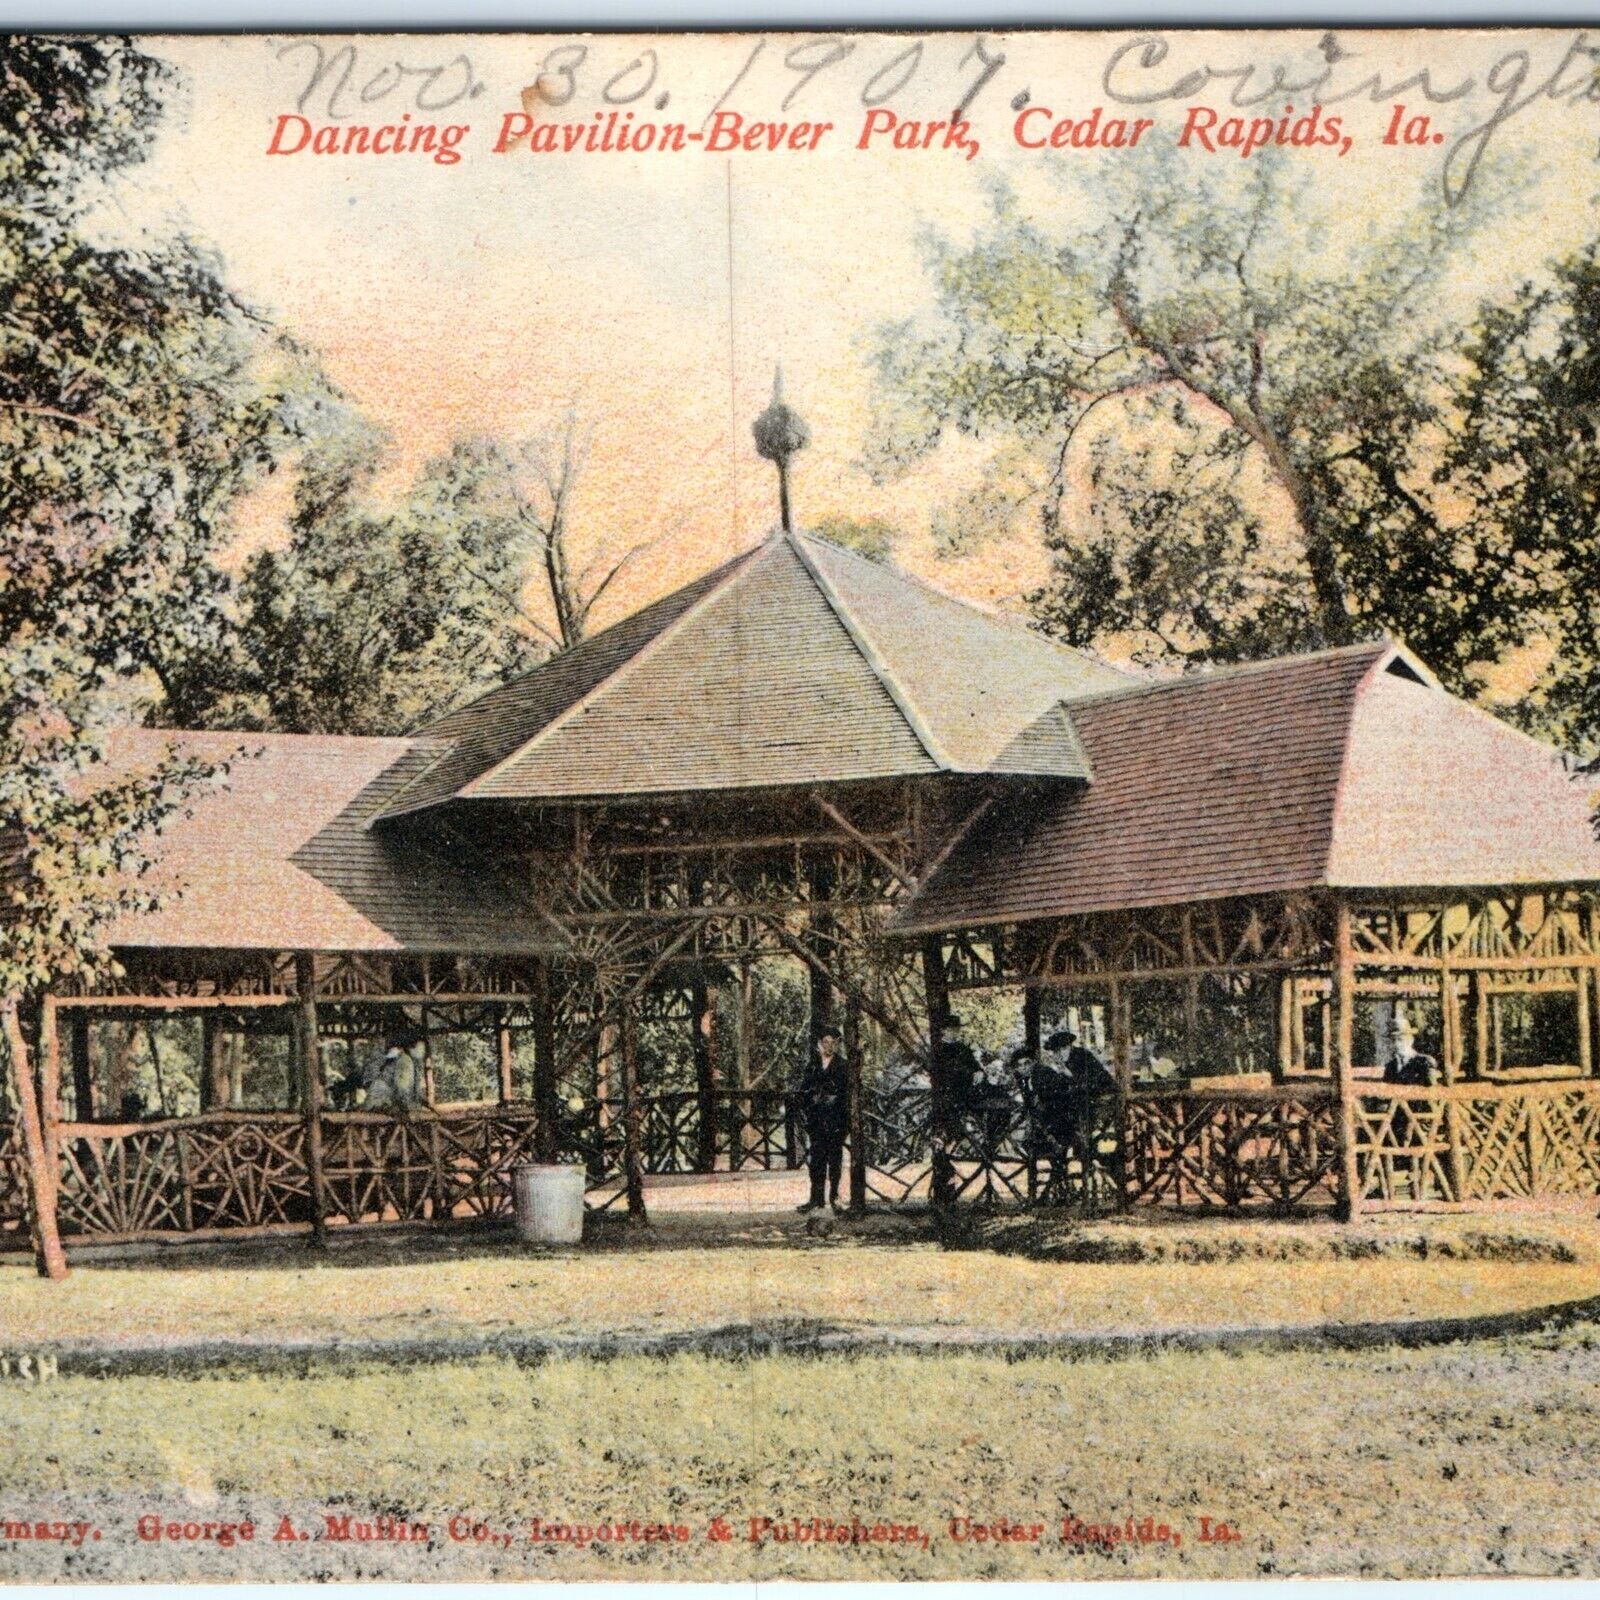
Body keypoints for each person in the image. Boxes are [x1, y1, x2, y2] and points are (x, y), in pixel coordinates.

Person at [795, 1024, 850, 1214]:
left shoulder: (843, 1066)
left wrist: (842, 1119)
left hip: (835, 1121)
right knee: (816, 1162)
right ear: (819, 1044)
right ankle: (816, 1199)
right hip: (817, 1121)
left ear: (837, 1044)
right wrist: (808, 1108)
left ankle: (834, 1198)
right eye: (826, 1042)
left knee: (834, 1161)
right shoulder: (813, 1066)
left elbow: (845, 1094)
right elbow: (804, 1091)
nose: (829, 1046)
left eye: (833, 1043)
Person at [363, 1025, 427, 1112]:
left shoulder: (397, 1059)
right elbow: (403, 1087)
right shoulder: (403, 1060)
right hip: (388, 1105)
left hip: (380, 1104)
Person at [1382, 1015, 1441, 1087]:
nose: (1396, 1044)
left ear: (1411, 1040)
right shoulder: (1390, 1066)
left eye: (1401, 1040)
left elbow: (1432, 1090)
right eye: (1393, 1040)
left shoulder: (1424, 1062)